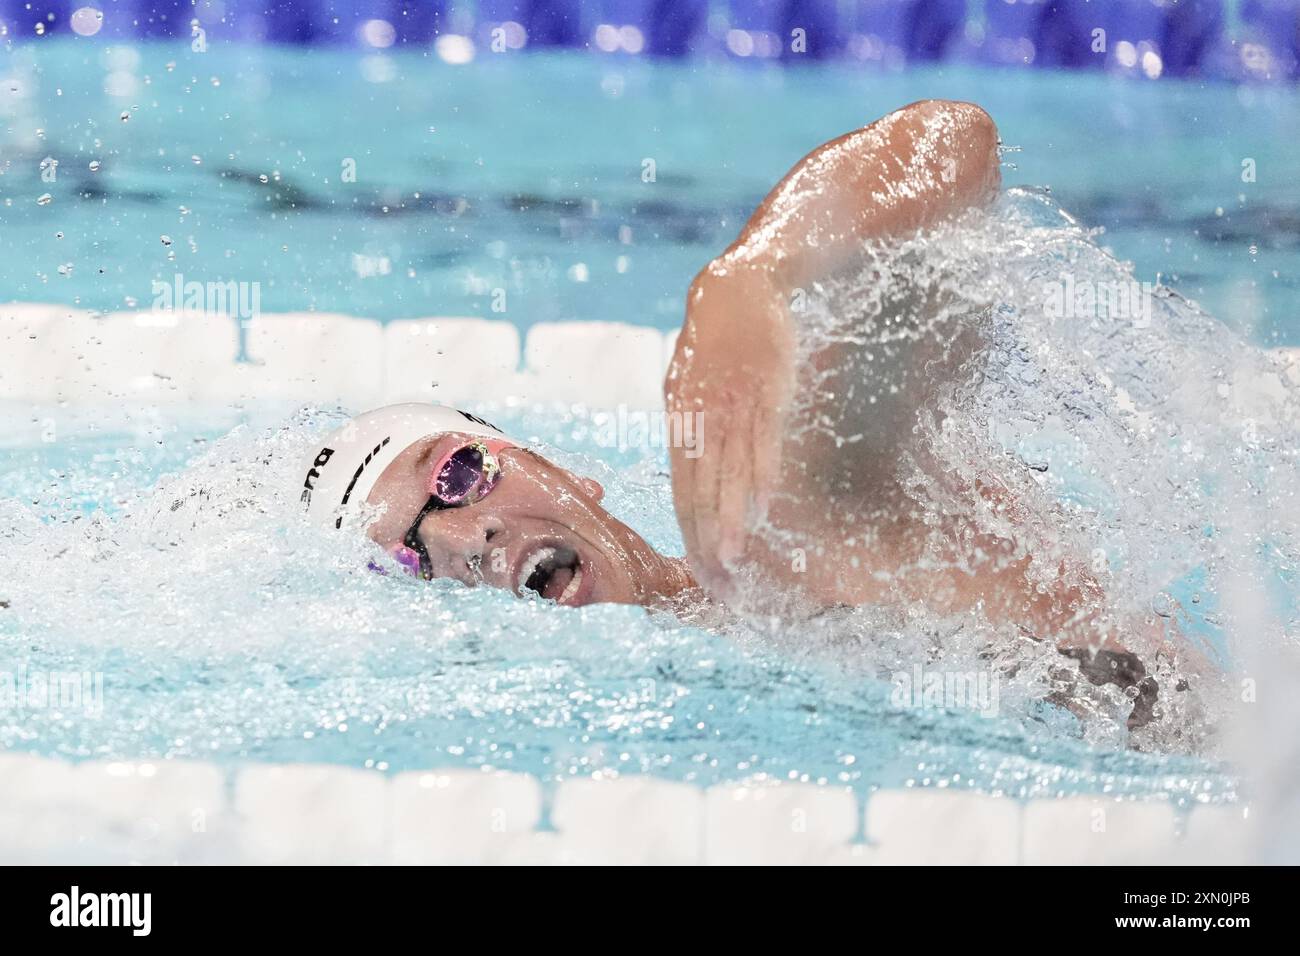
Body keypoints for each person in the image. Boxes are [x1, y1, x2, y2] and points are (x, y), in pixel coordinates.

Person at [299, 100, 1167, 722]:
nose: (461, 540)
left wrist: (748, 279)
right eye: (407, 559)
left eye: (457, 475)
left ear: (571, 474)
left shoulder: (780, 526)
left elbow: (951, 142)